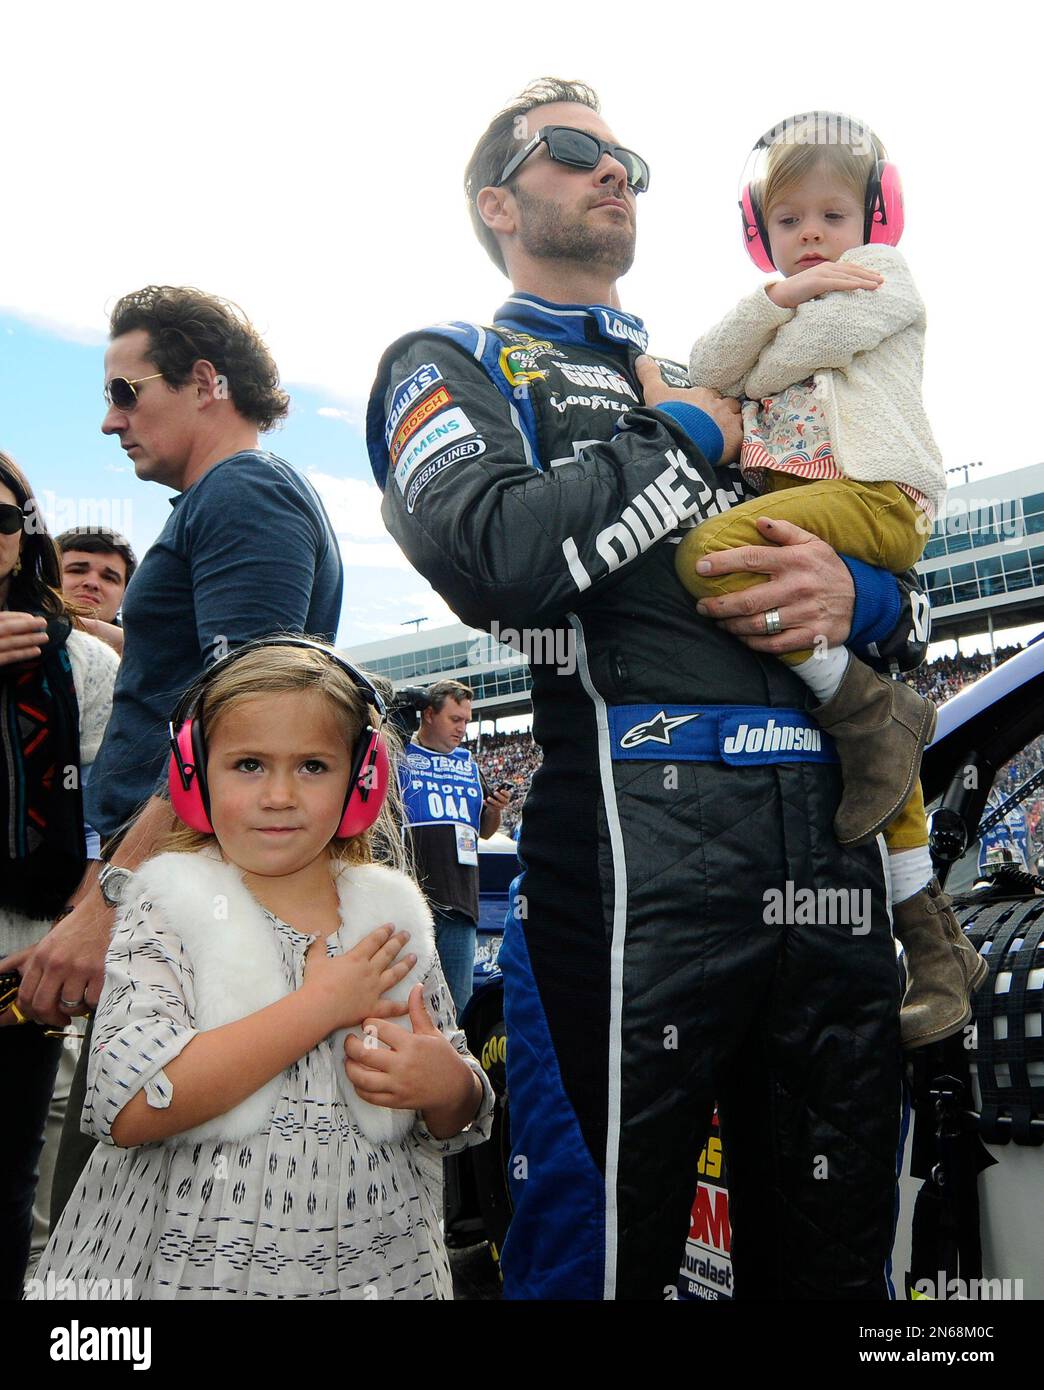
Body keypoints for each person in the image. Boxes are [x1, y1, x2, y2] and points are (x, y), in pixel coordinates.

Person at [366, 78, 933, 1300]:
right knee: (603, 1261)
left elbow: (912, 596)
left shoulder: (741, 368)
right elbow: (494, 559)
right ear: (498, 203)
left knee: (840, 1269)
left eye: (630, 159)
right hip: (632, 876)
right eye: (574, 151)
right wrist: (679, 437)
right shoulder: (455, 360)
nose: (614, 171)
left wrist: (859, 597)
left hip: (827, 871)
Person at [1, 285, 344, 1227]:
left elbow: (247, 734)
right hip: (183, 884)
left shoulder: (244, 492)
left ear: (204, 380)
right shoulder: (223, 501)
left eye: (126, 391)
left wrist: (110, 900)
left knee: (195, 1203)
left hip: (200, 893)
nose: (110, 421)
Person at [33, 638, 493, 1300]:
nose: (280, 795)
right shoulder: (168, 906)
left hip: (373, 1269)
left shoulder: (390, 917)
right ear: (194, 776)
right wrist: (321, 1005)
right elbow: (129, 1104)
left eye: (313, 765)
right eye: (248, 764)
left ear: (361, 780)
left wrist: (447, 1086)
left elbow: (462, 1111)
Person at [667, 113, 985, 1049]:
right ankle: (938, 952)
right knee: (875, 757)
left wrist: (776, 319)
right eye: (792, 219)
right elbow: (708, 366)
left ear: (873, 218)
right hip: (814, 515)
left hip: (875, 501)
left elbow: (765, 363)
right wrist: (778, 301)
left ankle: (862, 708)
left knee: (703, 556)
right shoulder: (792, 290)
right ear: (760, 232)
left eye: (833, 215)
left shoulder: (888, 275)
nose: (813, 236)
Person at [0, 452, 118, 1300]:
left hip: (21, 958)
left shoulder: (84, 664)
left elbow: (111, 817)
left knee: (9, 1177)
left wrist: (77, 927)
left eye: (4, 518)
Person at [401, 681, 509, 1017]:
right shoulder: (399, 753)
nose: (463, 729)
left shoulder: (469, 764)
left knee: (457, 1008)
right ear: (429, 715)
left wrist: (494, 810)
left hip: (461, 903)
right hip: (412, 903)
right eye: (455, 719)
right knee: (408, 1004)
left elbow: (486, 832)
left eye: (466, 721)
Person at [56, 525, 138, 656]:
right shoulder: (14, 623)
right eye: (76, 570)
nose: (92, 583)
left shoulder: (149, 655)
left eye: (109, 578)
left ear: (125, 597)